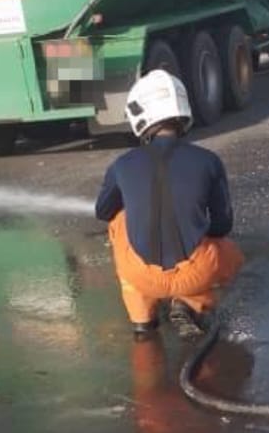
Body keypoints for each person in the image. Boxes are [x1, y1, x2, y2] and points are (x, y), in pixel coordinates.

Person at [95, 70, 244, 340]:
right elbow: (222, 226)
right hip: (196, 274)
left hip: (142, 277)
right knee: (230, 253)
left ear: (140, 114)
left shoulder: (122, 164)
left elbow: (102, 211)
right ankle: (191, 301)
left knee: (119, 218)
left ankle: (142, 318)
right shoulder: (208, 161)